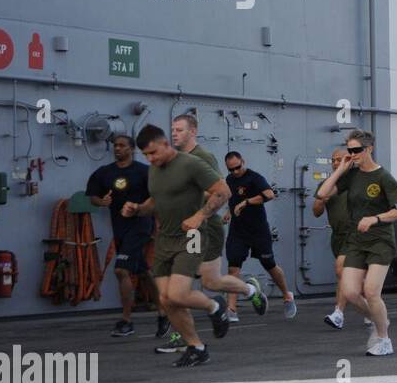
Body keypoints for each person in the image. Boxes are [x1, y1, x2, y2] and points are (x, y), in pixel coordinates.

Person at [121, 125, 231, 367]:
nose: (150, 159)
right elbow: (156, 201)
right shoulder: (154, 170)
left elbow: (223, 191)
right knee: (167, 300)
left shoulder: (191, 164)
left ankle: (215, 305)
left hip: (191, 237)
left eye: (153, 153)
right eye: (146, 155)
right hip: (165, 240)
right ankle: (197, 347)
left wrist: (200, 216)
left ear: (166, 144)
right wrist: (138, 209)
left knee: (178, 294)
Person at [315, 129, 397, 355]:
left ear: (369, 149)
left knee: (371, 291)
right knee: (350, 292)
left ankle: (384, 340)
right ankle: (380, 321)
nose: (353, 154)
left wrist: (375, 218)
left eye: (357, 150)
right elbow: (322, 195)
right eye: (350, 150)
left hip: (380, 240)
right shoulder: (351, 175)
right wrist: (341, 170)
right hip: (356, 240)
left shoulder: (384, 177)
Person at [170, 114, 267, 321]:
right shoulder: (178, 159)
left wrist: (191, 199)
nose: (174, 134)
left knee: (196, 279)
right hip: (188, 228)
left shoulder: (202, 157)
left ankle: (184, 335)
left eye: (179, 130)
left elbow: (222, 191)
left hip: (204, 227)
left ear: (193, 132)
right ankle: (250, 291)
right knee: (202, 280)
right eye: (173, 130)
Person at [87, 134, 165, 338]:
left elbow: (157, 197)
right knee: (144, 272)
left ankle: (126, 321)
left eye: (122, 146)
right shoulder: (105, 173)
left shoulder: (144, 172)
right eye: (115, 146)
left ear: (132, 149)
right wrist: (100, 202)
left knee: (121, 270)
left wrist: (158, 227)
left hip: (140, 225)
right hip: (119, 227)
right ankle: (164, 313)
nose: (117, 149)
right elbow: (93, 195)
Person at [222, 152, 297, 320]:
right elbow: (233, 199)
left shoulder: (254, 177)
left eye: (237, 167)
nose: (235, 171)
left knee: (269, 264)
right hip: (238, 231)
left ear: (243, 161)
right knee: (233, 267)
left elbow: (269, 194)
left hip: (258, 231)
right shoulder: (229, 180)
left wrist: (247, 202)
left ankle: (287, 296)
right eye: (231, 169)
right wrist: (229, 211)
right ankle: (232, 309)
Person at [313, 148, 352, 329]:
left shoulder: (357, 181)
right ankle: (368, 308)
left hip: (357, 234)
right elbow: (316, 211)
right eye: (333, 160)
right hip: (338, 235)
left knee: (340, 270)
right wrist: (321, 201)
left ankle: (338, 313)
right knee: (346, 276)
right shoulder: (327, 184)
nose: (336, 163)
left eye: (340, 159)